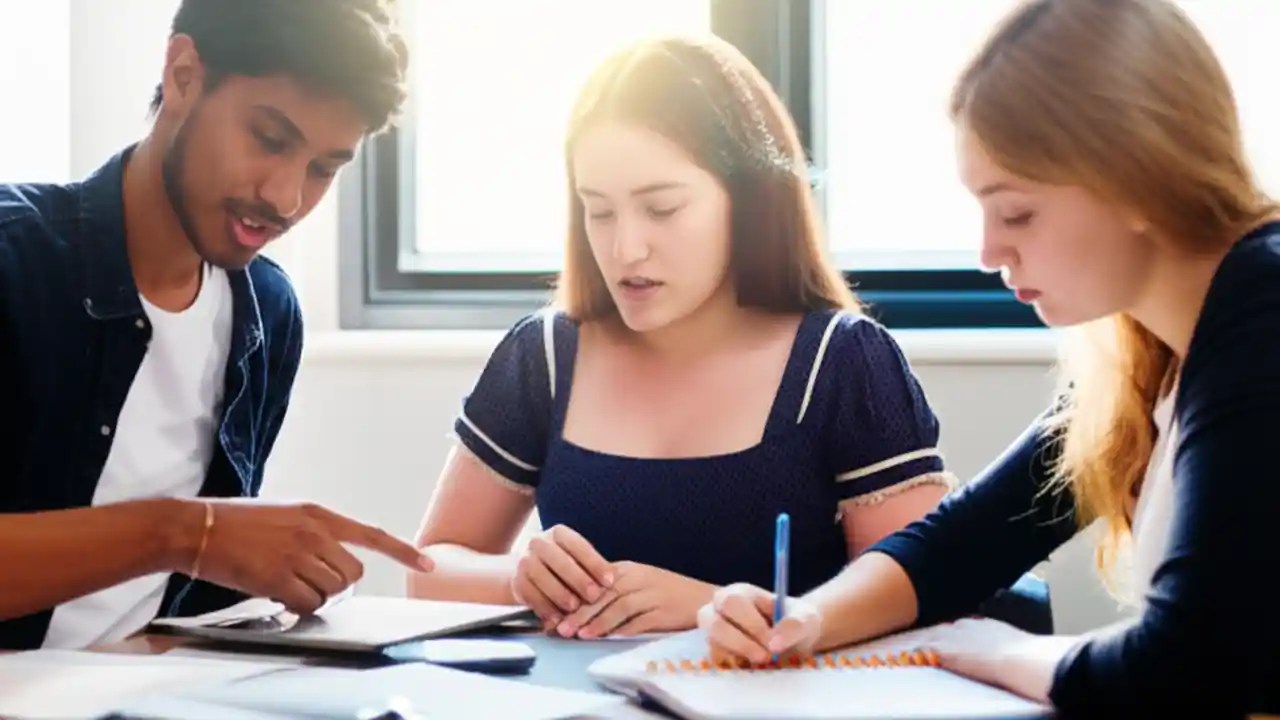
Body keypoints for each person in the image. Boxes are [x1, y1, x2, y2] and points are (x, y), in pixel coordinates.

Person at [698, 0, 1280, 715]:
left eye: (1016, 213)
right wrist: (809, 619)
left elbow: (1190, 665)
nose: (988, 252)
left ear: (1140, 176)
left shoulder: (1263, 315)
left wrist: (1003, 653)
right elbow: (965, 542)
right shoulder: (1148, 352)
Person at [407, 35, 954, 641]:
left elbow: (923, 591)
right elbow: (429, 571)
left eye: (662, 209)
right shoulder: (545, 356)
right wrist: (518, 579)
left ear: (747, 201)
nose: (625, 249)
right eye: (599, 211)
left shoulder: (844, 362)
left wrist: (713, 607)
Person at [0, 0, 433, 651]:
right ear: (183, 75)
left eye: (323, 169)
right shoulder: (14, 264)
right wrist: (183, 533)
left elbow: (185, 608)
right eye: (269, 139)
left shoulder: (268, 313)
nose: (286, 197)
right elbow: (193, 538)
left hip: (143, 687)